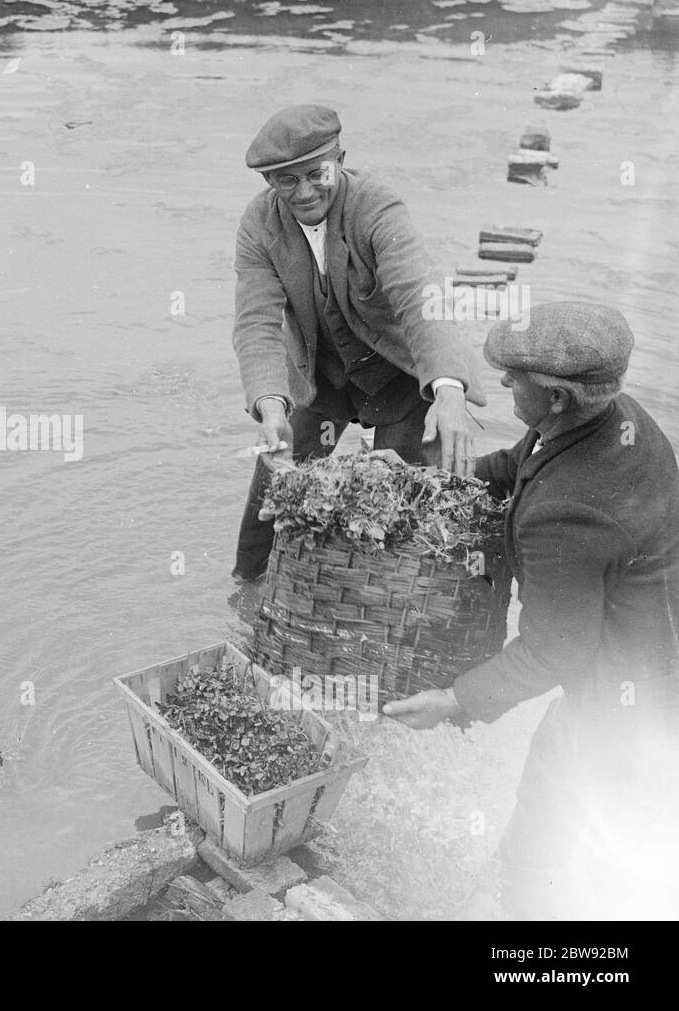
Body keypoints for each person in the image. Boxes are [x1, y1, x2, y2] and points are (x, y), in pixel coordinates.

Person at [384, 302, 679, 920]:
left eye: (513, 379)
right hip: (654, 650)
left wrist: (457, 699)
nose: (501, 386)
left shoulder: (567, 513)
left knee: (556, 833)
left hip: (628, 699)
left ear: (557, 397)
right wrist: (416, 477)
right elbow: (519, 467)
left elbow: (556, 649)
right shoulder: (616, 418)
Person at [231, 103, 486, 581]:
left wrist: (450, 395)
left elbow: (420, 298)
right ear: (269, 183)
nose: (305, 192)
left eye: (316, 174)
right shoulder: (258, 226)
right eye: (287, 181)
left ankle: (378, 599)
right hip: (320, 379)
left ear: (340, 158)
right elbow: (256, 322)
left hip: (395, 378)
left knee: (394, 500)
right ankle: (248, 590)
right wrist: (270, 407)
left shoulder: (377, 207)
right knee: (275, 480)